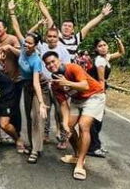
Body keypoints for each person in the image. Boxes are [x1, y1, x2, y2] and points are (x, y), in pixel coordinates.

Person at [42, 51, 106, 181]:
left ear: (59, 60)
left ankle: (80, 163)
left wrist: (67, 83)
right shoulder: (55, 83)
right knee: (69, 127)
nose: (51, 65)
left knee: (83, 125)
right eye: (47, 64)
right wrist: (64, 124)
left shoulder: (73, 67)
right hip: (77, 100)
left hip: (94, 95)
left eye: (53, 61)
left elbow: (84, 85)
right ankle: (77, 154)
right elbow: (64, 105)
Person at [5, 1, 48, 163]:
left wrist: (42, 102)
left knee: (36, 116)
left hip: (39, 87)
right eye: (26, 42)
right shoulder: (23, 47)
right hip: (26, 86)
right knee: (28, 117)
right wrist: (11, 12)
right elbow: (16, 28)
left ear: (36, 46)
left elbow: (37, 83)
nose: (27, 45)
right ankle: (33, 144)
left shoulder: (36, 60)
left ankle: (36, 150)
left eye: (30, 43)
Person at [33, 0, 113, 61]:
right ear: (61, 28)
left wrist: (102, 15)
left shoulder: (76, 39)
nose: (66, 27)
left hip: (70, 69)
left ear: (72, 30)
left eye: (69, 26)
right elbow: (48, 16)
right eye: (65, 25)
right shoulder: (56, 36)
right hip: (55, 66)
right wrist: (39, 2)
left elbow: (89, 26)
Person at [88, 35, 126, 157]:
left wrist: (118, 41)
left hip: (97, 90)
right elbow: (101, 80)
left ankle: (95, 145)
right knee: (95, 120)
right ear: (96, 49)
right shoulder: (99, 61)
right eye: (100, 46)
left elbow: (121, 52)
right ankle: (93, 147)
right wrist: (102, 96)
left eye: (104, 45)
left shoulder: (106, 58)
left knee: (98, 120)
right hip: (95, 91)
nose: (103, 48)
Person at [37, 25, 71, 149]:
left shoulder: (63, 51)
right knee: (45, 110)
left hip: (58, 85)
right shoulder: (42, 47)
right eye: (49, 36)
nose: (52, 39)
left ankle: (64, 138)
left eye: (54, 36)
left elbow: (67, 69)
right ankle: (45, 134)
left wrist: (65, 84)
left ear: (58, 38)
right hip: (44, 84)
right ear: (46, 38)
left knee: (60, 112)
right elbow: (26, 38)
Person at [0, 16, 23, 143]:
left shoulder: (12, 39)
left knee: (14, 108)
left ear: (5, 28)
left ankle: (17, 134)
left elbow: (22, 54)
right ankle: (6, 133)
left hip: (16, 80)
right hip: (4, 81)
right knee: (1, 108)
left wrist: (9, 48)